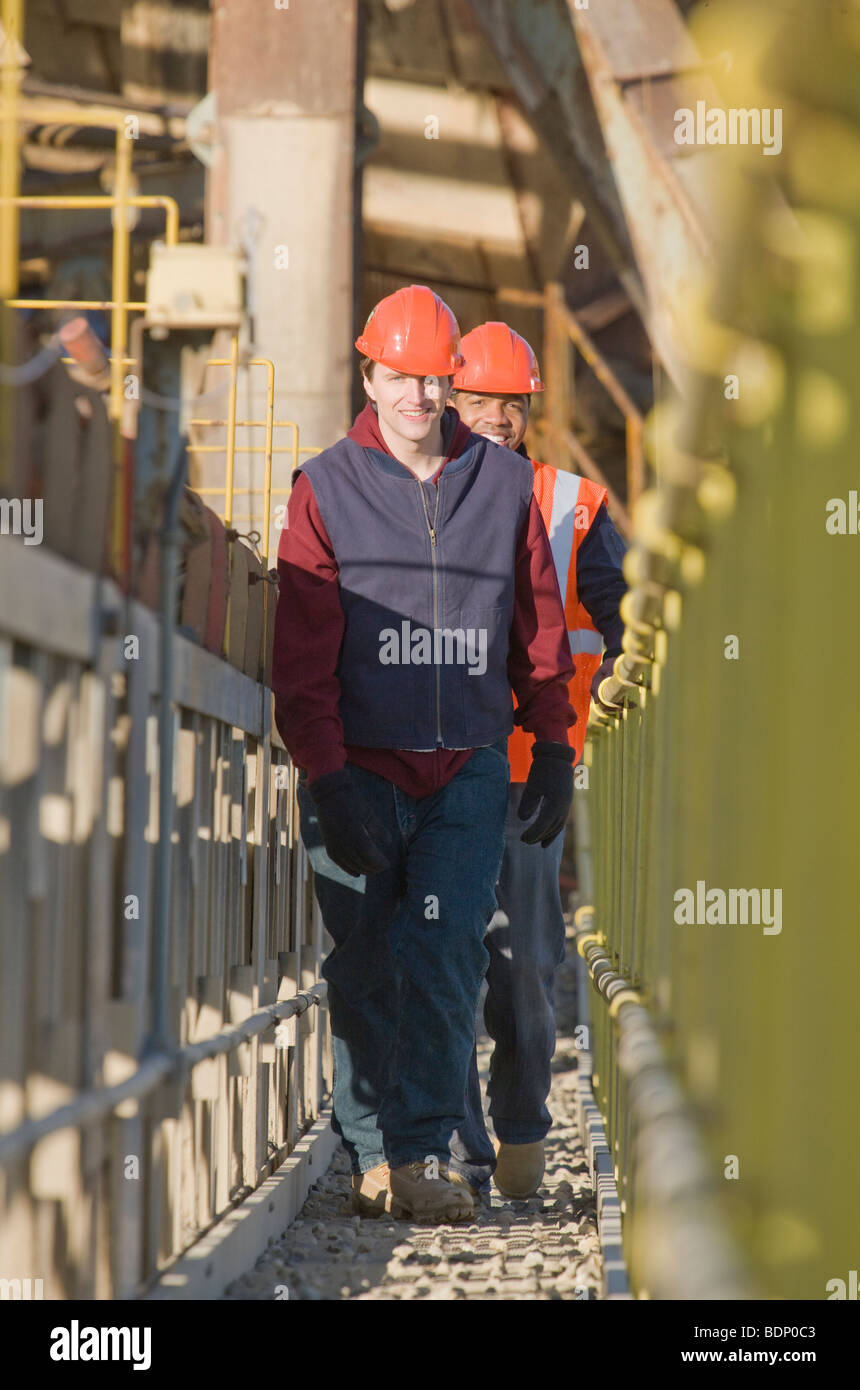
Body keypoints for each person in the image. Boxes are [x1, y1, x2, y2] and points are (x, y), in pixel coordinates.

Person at [271, 287, 578, 1223]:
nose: (417, 396)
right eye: (399, 376)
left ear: (451, 383)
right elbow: (301, 657)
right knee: (364, 963)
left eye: (433, 379)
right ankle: (368, 1147)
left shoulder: (505, 485)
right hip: (357, 766)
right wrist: (327, 772)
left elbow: (538, 627)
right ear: (369, 375)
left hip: (466, 769)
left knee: (447, 956)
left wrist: (554, 744)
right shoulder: (324, 488)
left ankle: (415, 1155)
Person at [448, 321, 628, 1200]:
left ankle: (519, 1139)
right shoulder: (407, 490)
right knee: (439, 951)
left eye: (509, 403)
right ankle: (448, 1152)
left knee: (525, 960)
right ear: (447, 400)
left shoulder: (572, 505)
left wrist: (621, 670)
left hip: (529, 766)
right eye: (477, 399)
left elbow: (618, 613)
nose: (495, 418)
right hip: (430, 763)